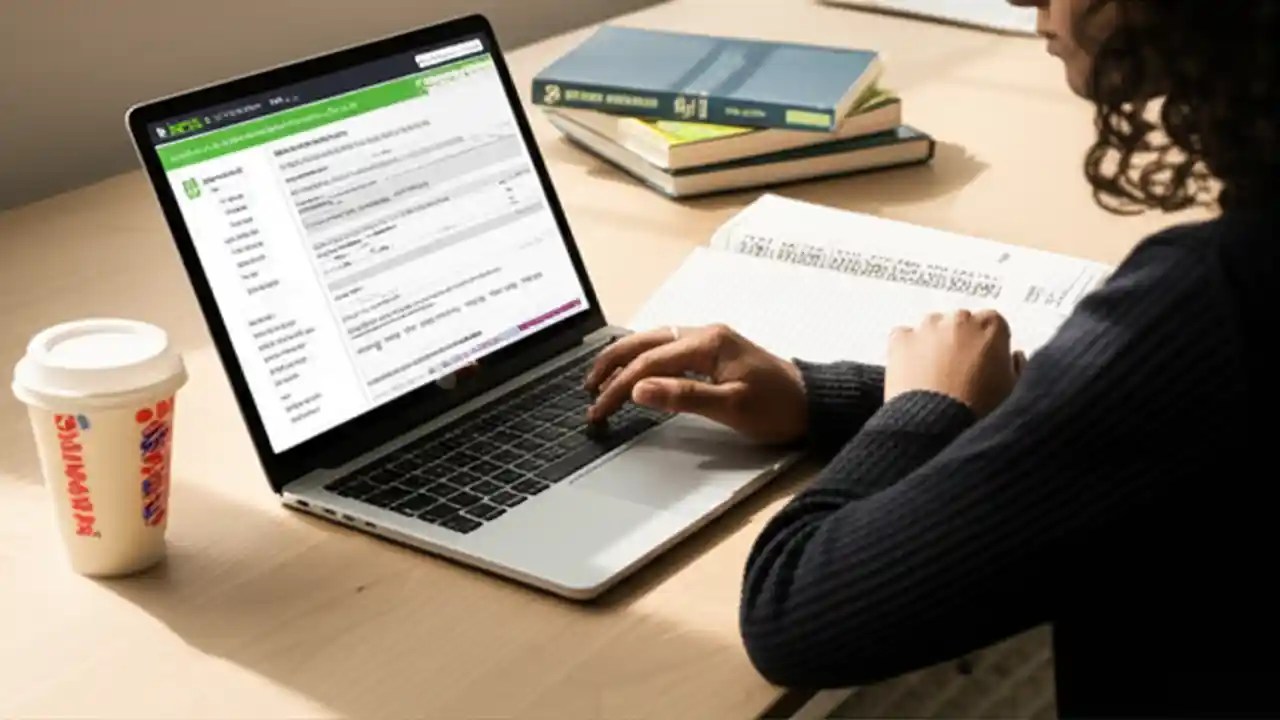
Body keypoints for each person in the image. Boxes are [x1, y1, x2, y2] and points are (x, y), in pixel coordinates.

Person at [583, 0, 1279, 717]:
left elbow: (793, 611)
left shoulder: (1215, 299)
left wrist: (921, 412)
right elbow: (1116, 426)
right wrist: (822, 397)